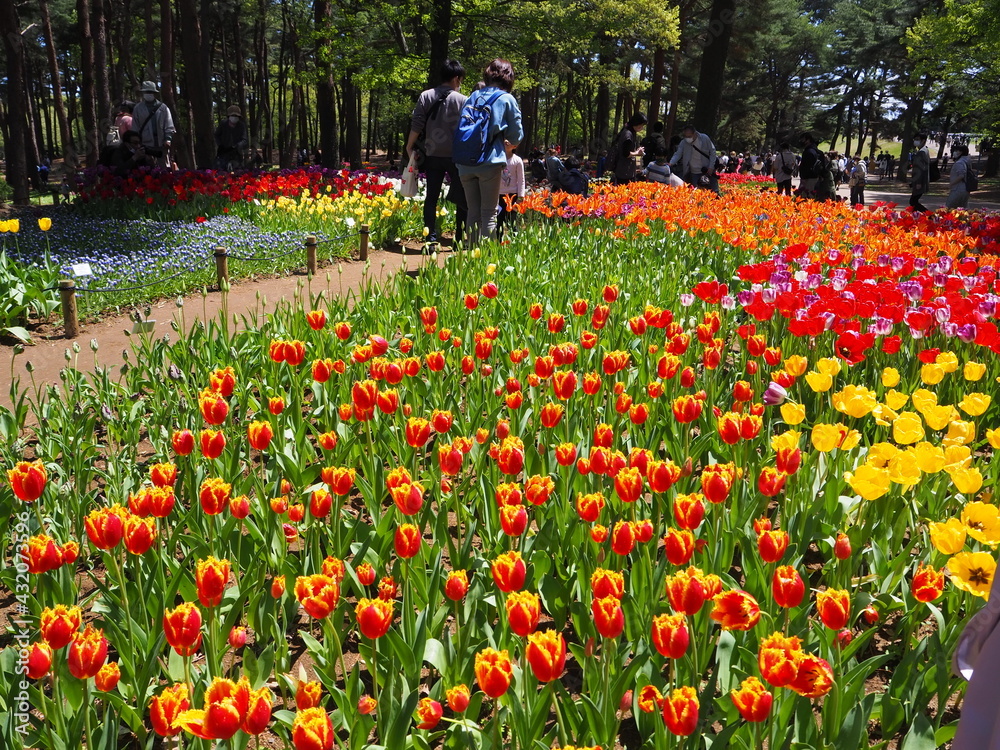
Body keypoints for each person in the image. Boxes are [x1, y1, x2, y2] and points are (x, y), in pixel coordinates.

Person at [455, 58, 523, 244]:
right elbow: (516, 136)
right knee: (489, 213)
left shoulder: (473, 97)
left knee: (473, 212)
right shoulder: (506, 99)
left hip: (465, 162)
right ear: (509, 77)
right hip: (490, 162)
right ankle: (486, 258)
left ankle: (472, 255)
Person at [405, 59, 469, 246]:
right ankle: (459, 239)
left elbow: (417, 123)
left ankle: (430, 240)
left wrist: (409, 146)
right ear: (456, 78)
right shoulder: (463, 100)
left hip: (432, 154)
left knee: (431, 197)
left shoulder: (426, 96)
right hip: (456, 156)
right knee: (461, 197)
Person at [131, 81, 175, 168]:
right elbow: (135, 127)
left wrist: (168, 139)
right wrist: (137, 143)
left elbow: (169, 125)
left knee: (164, 167)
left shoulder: (163, 108)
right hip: (145, 144)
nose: (149, 94)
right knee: (147, 168)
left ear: (154, 93)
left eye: (150, 92)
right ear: (143, 93)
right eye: (147, 92)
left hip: (161, 144)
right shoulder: (138, 108)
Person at [669, 124, 718, 192]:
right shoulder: (683, 142)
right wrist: (671, 163)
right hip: (694, 172)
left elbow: (713, 152)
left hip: (707, 170)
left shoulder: (704, 138)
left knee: (713, 191)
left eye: (689, 136)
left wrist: (711, 166)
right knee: (697, 192)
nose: (687, 138)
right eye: (685, 136)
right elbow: (678, 154)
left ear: (695, 134)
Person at [498, 140, 525, 239]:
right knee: (498, 222)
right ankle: (498, 242)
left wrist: (520, 196)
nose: (506, 141)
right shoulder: (497, 159)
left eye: (510, 140)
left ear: (515, 146)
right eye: (505, 139)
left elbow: (521, 179)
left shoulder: (517, 160)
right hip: (499, 195)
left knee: (512, 222)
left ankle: (514, 241)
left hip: (512, 195)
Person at [609, 113, 647, 185]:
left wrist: (636, 151)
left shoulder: (627, 131)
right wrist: (638, 153)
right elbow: (626, 154)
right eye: (642, 125)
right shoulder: (628, 135)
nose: (642, 127)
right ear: (637, 123)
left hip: (623, 170)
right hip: (624, 171)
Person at [215, 106, 248, 170]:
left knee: (237, 171)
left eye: (236, 116)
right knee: (221, 170)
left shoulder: (241, 126)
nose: (234, 117)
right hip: (223, 152)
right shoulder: (223, 124)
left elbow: (244, 139)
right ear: (229, 116)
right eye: (233, 115)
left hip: (237, 153)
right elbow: (216, 135)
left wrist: (237, 146)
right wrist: (220, 144)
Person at [795, 132, 823, 198]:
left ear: (808, 140)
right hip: (816, 178)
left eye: (802, 140)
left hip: (808, 179)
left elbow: (806, 166)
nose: (801, 141)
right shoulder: (818, 152)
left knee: (806, 197)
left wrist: (803, 177)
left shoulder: (808, 151)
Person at [909, 132, 931, 212]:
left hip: (919, 181)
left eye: (917, 139)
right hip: (920, 180)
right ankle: (915, 217)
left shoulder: (922, 152)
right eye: (915, 139)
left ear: (923, 140)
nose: (915, 141)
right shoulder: (925, 150)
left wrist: (918, 182)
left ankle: (930, 215)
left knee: (913, 201)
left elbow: (920, 168)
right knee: (913, 202)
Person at [946, 144, 973, 209]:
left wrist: (951, 184)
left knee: (949, 208)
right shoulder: (967, 161)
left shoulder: (960, 163)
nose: (955, 152)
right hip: (965, 188)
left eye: (956, 150)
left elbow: (961, 176)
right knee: (962, 209)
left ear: (961, 152)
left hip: (958, 189)